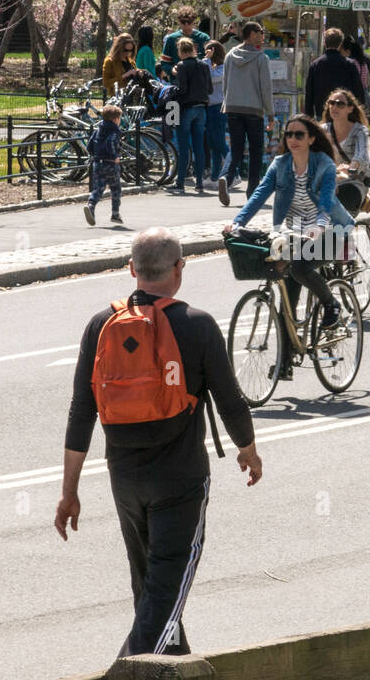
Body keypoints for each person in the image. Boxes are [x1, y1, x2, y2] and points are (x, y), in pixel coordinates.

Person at [57, 227, 262, 657]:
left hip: (125, 481)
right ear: (179, 270)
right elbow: (230, 399)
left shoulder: (100, 326)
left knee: (150, 589)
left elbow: (81, 412)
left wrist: (69, 492)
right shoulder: (198, 325)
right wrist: (247, 449)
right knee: (165, 595)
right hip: (180, 481)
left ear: (132, 270)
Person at [229, 115, 352, 338]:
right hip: (293, 231)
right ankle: (286, 357)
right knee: (285, 289)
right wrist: (237, 223)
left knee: (299, 268)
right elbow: (260, 194)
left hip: (332, 231)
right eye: (288, 134)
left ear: (311, 139)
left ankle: (331, 303)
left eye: (299, 134)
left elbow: (325, 202)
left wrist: (319, 226)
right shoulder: (280, 164)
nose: (292, 139)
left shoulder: (323, 163)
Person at [218, 21, 275, 205]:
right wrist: (271, 113)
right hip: (253, 109)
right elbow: (266, 88)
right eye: (260, 32)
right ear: (251, 34)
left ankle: (226, 178)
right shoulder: (261, 58)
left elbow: (225, 82)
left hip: (233, 107)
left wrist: (227, 104)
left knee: (236, 149)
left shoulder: (229, 56)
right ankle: (252, 191)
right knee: (256, 150)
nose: (262, 35)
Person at [170, 37, 211, 194]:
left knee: (183, 147)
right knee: (199, 147)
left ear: (181, 51)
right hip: (201, 109)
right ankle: (199, 183)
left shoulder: (181, 66)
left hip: (186, 109)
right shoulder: (203, 65)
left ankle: (180, 182)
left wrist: (175, 75)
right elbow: (209, 89)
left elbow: (182, 89)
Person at [322, 88, 370, 215]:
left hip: (352, 182)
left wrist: (351, 167)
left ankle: (337, 231)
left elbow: (361, 155)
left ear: (350, 108)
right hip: (328, 181)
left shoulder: (359, 131)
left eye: (340, 104)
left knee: (343, 197)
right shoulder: (323, 130)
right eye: (331, 103)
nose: (334, 106)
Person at [304, 28, 364, 121]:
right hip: (344, 112)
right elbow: (358, 90)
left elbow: (309, 93)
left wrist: (309, 117)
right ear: (340, 44)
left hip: (322, 112)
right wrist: (359, 113)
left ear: (324, 43)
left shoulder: (315, 65)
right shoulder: (350, 64)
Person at [84, 102, 123, 226]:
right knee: (116, 189)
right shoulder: (114, 131)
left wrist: (95, 155)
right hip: (110, 164)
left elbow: (89, 146)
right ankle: (115, 214)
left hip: (97, 163)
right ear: (115, 119)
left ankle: (91, 205)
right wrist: (114, 156)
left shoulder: (99, 129)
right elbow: (111, 143)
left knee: (99, 188)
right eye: (119, 119)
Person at [203, 40, 228, 187]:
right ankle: (215, 176)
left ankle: (233, 172)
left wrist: (206, 60)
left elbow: (211, 78)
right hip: (210, 106)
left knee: (219, 142)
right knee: (213, 143)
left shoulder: (224, 68)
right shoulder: (211, 66)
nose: (206, 55)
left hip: (218, 107)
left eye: (208, 51)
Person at [158, 9, 209, 80]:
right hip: (178, 82)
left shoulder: (203, 38)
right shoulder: (171, 39)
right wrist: (171, 70)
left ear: (194, 21)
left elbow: (211, 60)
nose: (186, 24)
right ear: (179, 21)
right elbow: (164, 63)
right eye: (183, 21)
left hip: (199, 82)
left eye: (189, 21)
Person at [100, 33, 137, 97]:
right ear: (119, 47)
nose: (128, 53)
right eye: (125, 50)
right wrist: (124, 75)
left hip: (131, 96)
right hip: (117, 97)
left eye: (131, 50)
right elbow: (106, 83)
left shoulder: (131, 61)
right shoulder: (110, 61)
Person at [341, 35, 370, 111]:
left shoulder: (351, 63)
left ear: (348, 51)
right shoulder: (364, 63)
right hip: (364, 93)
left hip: (353, 94)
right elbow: (367, 81)